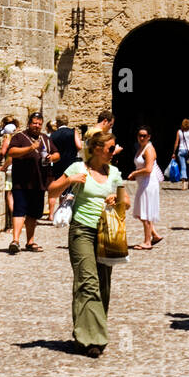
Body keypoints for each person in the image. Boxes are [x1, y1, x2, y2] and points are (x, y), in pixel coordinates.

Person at [47, 128, 129, 357]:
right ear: (97, 149)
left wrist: (117, 198)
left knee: (103, 284)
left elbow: (127, 202)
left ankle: (88, 333)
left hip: (106, 233)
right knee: (88, 281)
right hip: (81, 231)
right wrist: (71, 180)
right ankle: (92, 338)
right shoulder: (77, 168)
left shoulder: (114, 172)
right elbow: (51, 190)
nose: (114, 152)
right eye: (111, 148)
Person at [6, 112, 55, 254]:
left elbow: (57, 154)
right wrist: (30, 148)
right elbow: (12, 152)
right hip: (21, 182)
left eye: (39, 123)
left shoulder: (45, 139)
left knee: (34, 214)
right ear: (29, 123)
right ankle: (15, 241)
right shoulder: (19, 137)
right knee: (19, 211)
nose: (37, 126)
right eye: (34, 123)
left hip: (39, 182)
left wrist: (52, 157)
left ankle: (30, 242)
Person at [128, 125, 164, 248]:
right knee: (140, 211)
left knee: (145, 211)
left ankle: (147, 242)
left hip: (148, 182)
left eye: (144, 135)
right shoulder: (141, 148)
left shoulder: (149, 149)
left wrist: (134, 173)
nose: (141, 137)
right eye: (140, 135)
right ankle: (154, 235)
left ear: (149, 137)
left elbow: (148, 169)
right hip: (143, 182)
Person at [47, 114, 82, 219]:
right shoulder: (73, 132)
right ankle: (65, 212)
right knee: (69, 188)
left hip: (58, 164)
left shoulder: (53, 135)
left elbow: (50, 150)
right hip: (71, 163)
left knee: (56, 189)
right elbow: (79, 146)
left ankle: (51, 214)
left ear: (57, 123)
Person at [0, 115, 19, 224]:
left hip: (11, 169)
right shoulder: (19, 137)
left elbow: (3, 152)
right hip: (21, 168)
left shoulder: (8, 138)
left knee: (10, 195)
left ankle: (14, 223)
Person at [171, 118, 189, 190]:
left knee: (183, 167)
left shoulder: (179, 131)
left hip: (181, 151)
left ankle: (184, 184)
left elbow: (176, 143)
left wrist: (174, 152)